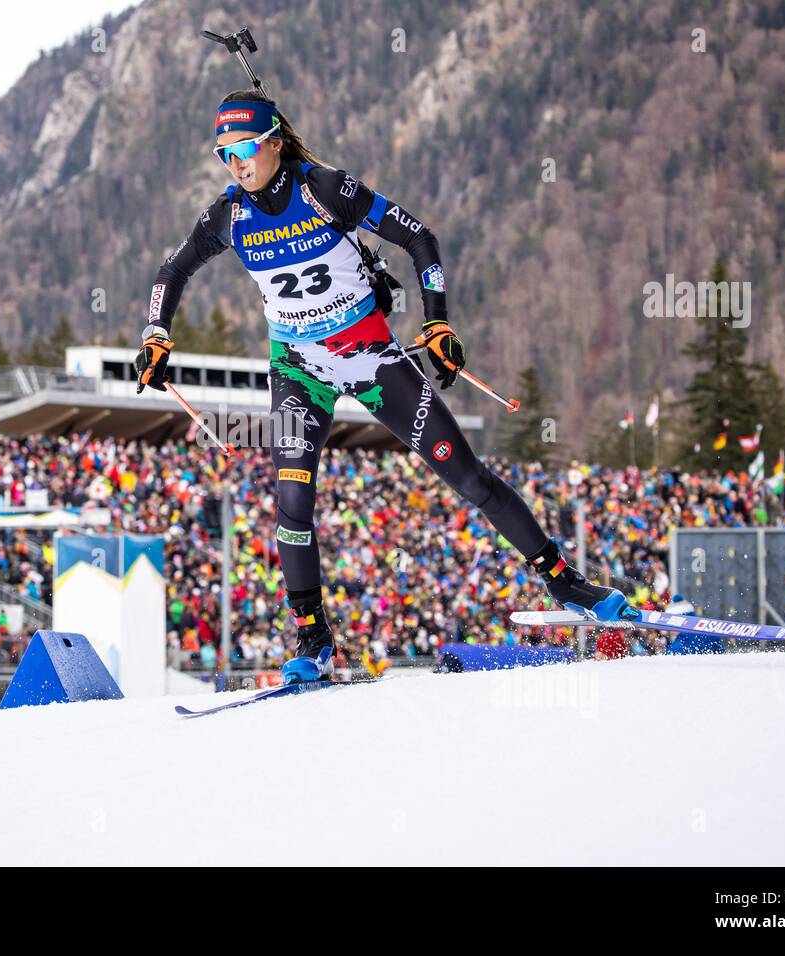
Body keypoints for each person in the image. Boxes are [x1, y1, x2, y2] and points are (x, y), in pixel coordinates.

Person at [134, 91, 632, 683]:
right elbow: (174, 268)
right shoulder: (229, 216)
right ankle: (314, 638)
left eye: (243, 149)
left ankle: (565, 581)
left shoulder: (325, 190)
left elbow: (420, 238)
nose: (234, 164)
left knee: (468, 476)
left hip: (369, 357)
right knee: (292, 503)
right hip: (298, 369)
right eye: (223, 154)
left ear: (271, 142)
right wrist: (156, 336)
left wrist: (438, 320)